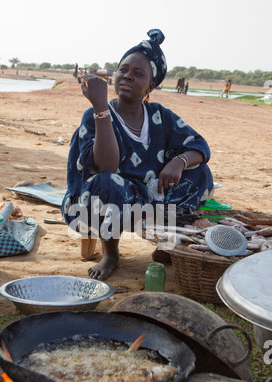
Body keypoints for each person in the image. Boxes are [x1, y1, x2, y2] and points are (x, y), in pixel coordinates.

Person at [62, 29, 213, 280]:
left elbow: (199, 145)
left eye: (138, 73)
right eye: (123, 70)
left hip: (154, 199)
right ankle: (111, 254)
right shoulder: (95, 116)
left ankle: (165, 246)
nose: (127, 76)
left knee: (201, 173)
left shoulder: (160, 115)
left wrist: (179, 161)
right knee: (107, 182)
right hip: (110, 200)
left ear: (150, 86)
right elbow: (106, 166)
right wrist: (101, 108)